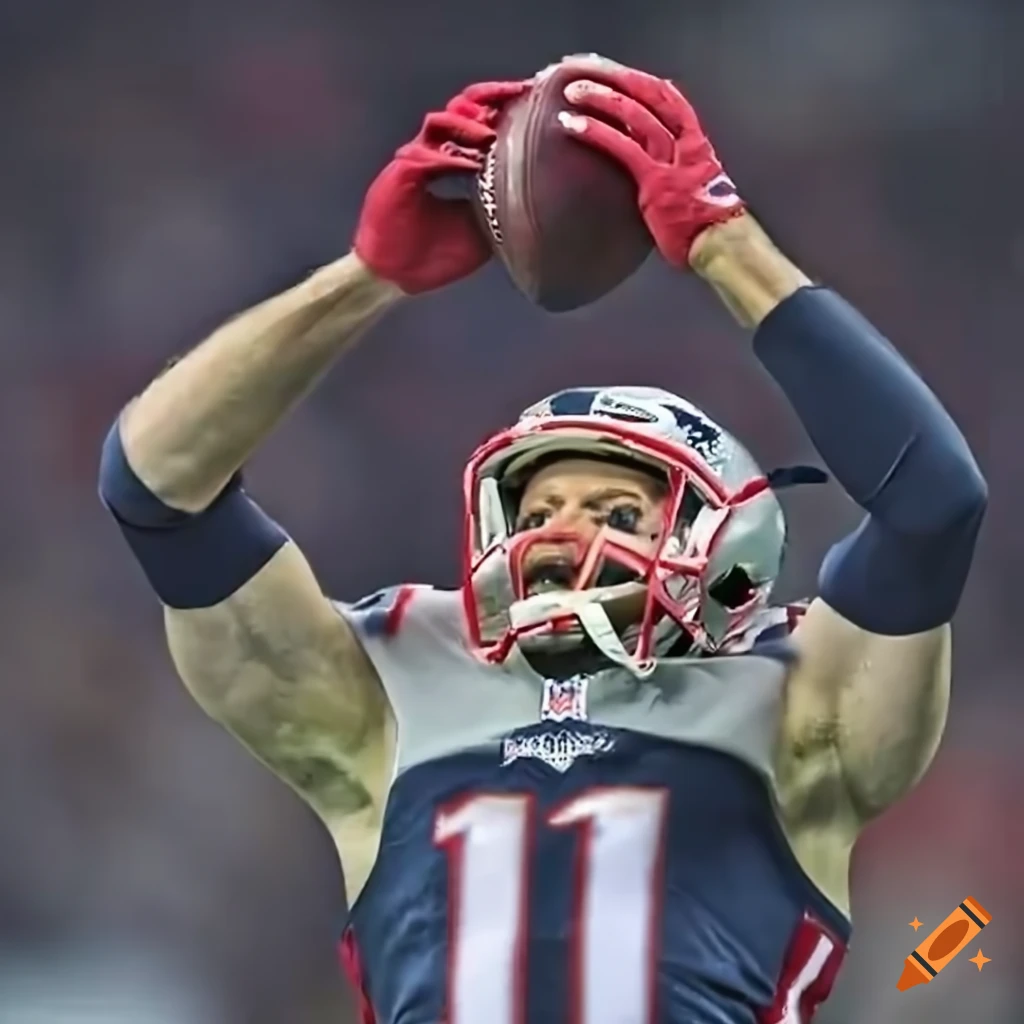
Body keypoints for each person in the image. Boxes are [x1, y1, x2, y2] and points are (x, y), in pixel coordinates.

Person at [98, 56, 986, 1024]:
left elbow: (931, 504)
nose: (562, 534)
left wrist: (727, 246)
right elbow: (155, 488)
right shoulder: (390, 686)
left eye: (614, 512)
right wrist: (365, 279)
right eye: (539, 509)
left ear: (727, 548)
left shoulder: (797, 697)